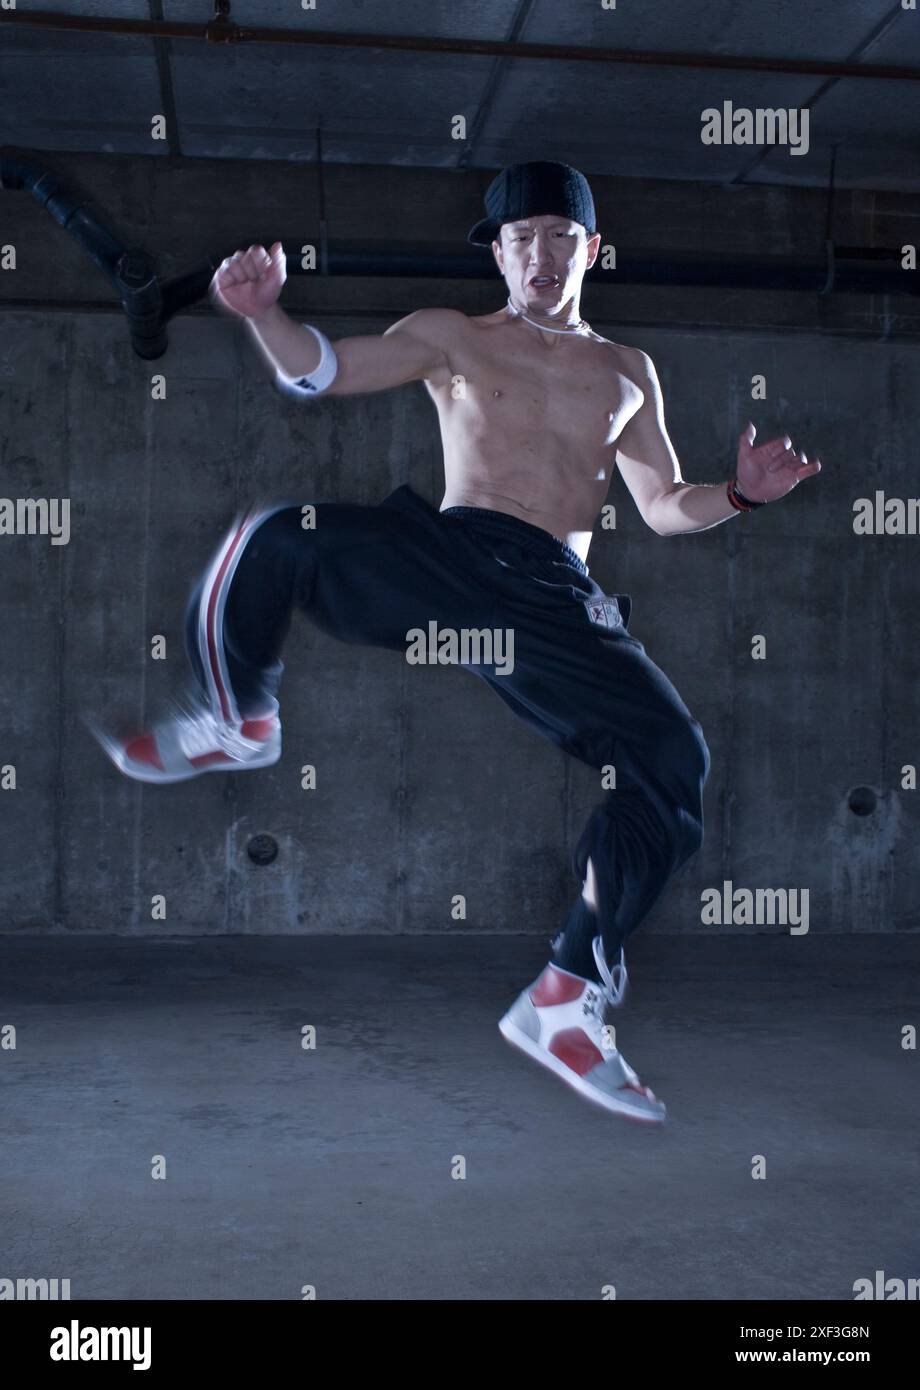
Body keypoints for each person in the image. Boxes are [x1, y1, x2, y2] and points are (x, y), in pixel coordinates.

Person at [90, 161, 822, 1122]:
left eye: (561, 236)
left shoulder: (628, 372)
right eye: (521, 240)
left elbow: (661, 507)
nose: (541, 255)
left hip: (560, 593)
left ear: (591, 250)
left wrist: (737, 497)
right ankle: (237, 715)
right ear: (500, 255)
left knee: (672, 757)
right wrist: (267, 316)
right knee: (276, 540)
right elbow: (325, 369)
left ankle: (565, 997)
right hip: (456, 554)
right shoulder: (450, 337)